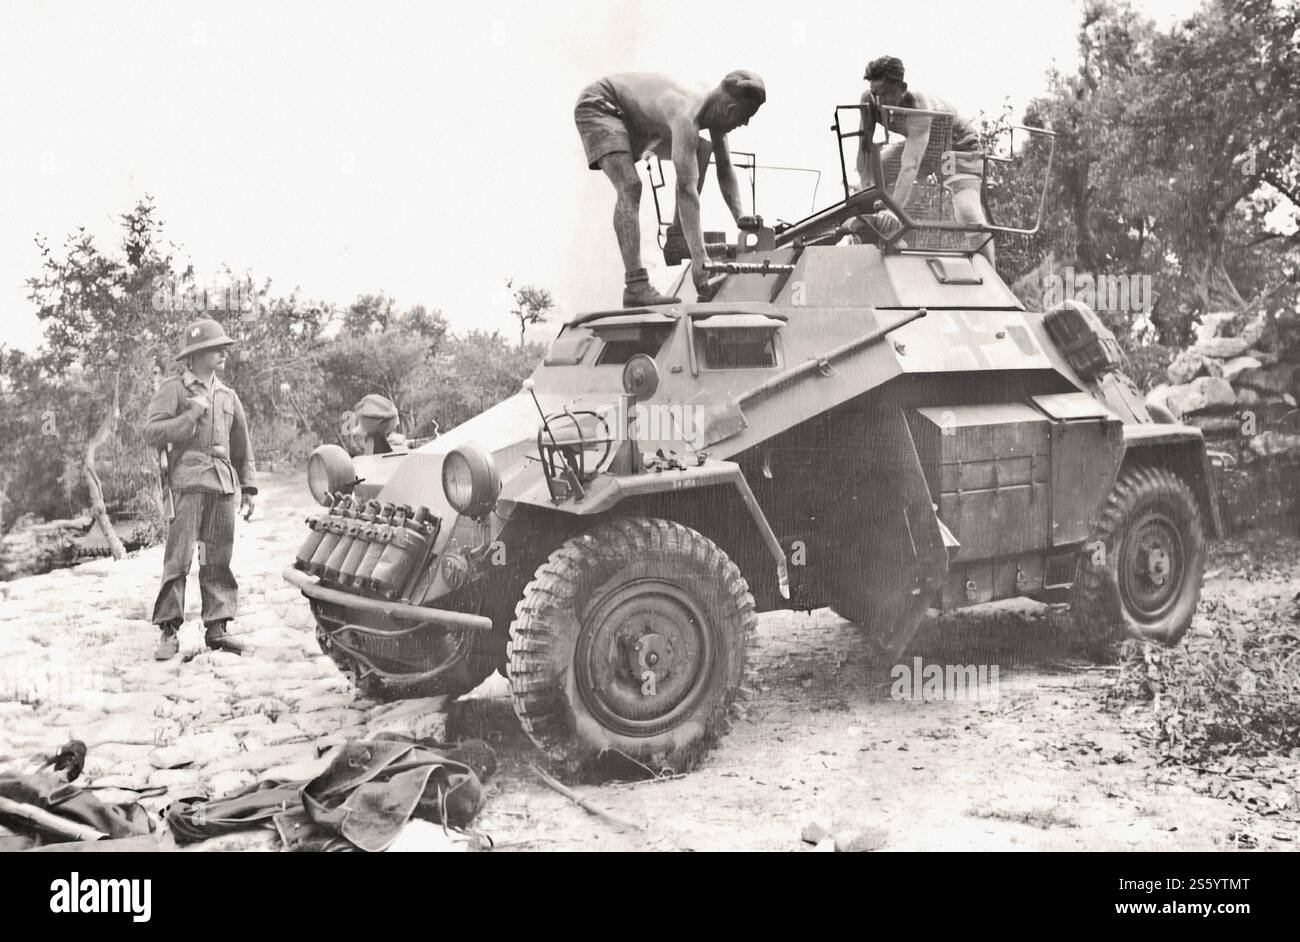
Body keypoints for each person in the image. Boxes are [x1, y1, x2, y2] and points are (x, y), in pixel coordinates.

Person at [574, 70, 766, 306]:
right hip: (601, 105)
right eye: (745, 116)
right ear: (729, 108)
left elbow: (725, 168)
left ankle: (678, 238)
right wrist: (699, 257)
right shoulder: (686, 113)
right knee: (630, 186)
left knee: (702, 150)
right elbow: (686, 188)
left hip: (637, 120)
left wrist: (740, 216)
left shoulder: (714, 107)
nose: (744, 124)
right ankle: (636, 286)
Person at [143, 319, 257, 660]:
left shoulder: (227, 395)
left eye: (223, 348)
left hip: (222, 485)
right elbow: (151, 432)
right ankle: (168, 630)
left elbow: (242, 446)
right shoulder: (174, 390)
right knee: (178, 559)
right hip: (187, 484)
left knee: (217, 557)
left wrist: (248, 487)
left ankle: (217, 628)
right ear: (195, 355)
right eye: (215, 348)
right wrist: (190, 416)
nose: (223, 352)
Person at [855, 55, 995, 266]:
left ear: (902, 89)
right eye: (876, 94)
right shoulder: (870, 100)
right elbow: (865, 150)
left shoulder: (919, 108)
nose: (880, 101)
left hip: (955, 149)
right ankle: (888, 239)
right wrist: (867, 189)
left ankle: (991, 278)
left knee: (967, 211)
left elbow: (910, 165)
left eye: (886, 94)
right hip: (927, 148)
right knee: (876, 173)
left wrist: (894, 210)